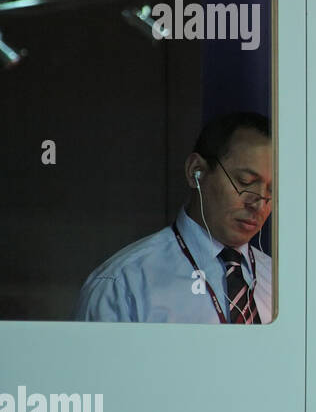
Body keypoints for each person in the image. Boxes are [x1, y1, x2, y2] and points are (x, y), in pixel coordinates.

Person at [74, 112, 273, 323]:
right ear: (196, 171)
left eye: (272, 189)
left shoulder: (282, 283)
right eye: (245, 182)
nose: (260, 203)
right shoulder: (124, 284)